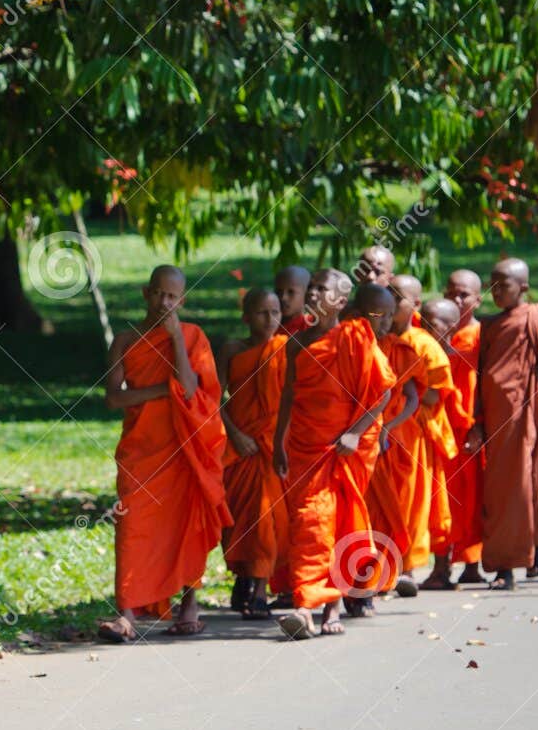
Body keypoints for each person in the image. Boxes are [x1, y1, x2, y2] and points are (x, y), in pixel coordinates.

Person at [102, 265, 230, 641]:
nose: (164, 302)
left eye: (172, 297)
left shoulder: (192, 337)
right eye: (158, 293)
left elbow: (192, 391)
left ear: (182, 301)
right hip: (141, 452)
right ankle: (126, 613)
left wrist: (174, 339)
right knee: (132, 526)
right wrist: (163, 390)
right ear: (146, 293)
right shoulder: (125, 341)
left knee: (186, 523)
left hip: (185, 450)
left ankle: (189, 603)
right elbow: (114, 397)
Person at [272, 273, 396, 638]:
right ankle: (313, 605)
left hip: (342, 448)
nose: (313, 293)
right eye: (312, 288)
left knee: (330, 521)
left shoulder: (357, 337)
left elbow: (383, 393)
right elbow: (288, 397)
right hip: (305, 448)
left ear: (341, 302)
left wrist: (355, 434)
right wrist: (279, 440)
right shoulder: (297, 344)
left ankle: (317, 606)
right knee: (309, 524)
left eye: (322, 290)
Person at [465, 259, 538, 589]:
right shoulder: (491, 326)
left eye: (504, 285)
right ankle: (509, 562)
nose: (496, 292)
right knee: (500, 494)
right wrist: (479, 422)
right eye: (492, 285)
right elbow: (482, 376)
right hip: (497, 421)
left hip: (528, 417)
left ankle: (511, 566)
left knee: (527, 486)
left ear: (523, 287)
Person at [366, 276, 453, 598]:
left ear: (415, 305)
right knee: (377, 502)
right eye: (387, 295)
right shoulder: (376, 340)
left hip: (411, 434)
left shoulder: (423, 344)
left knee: (410, 502)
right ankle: (377, 567)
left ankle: (408, 567)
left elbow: (432, 396)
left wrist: (398, 396)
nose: (391, 303)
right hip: (375, 431)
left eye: (398, 298)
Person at [220, 289, 288, 618]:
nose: (270, 319)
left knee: (266, 518)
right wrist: (235, 434)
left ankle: (260, 588)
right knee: (236, 518)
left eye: (275, 312)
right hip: (238, 442)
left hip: (272, 443)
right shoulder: (232, 350)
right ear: (246, 317)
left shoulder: (287, 349)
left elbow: (294, 402)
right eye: (262, 313)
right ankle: (244, 575)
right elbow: (213, 398)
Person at [424, 270, 486, 589]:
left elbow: (488, 386)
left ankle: (472, 563)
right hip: (437, 429)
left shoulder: (482, 337)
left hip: (468, 431)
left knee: (470, 499)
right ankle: (440, 565)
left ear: (478, 298)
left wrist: (480, 427)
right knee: (439, 499)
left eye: (464, 295)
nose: (457, 300)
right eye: (451, 293)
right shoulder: (431, 337)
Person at [274, 265, 312, 334]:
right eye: (279, 291)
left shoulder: (311, 327)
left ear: (306, 294)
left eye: (291, 292)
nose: (283, 298)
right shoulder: (270, 324)